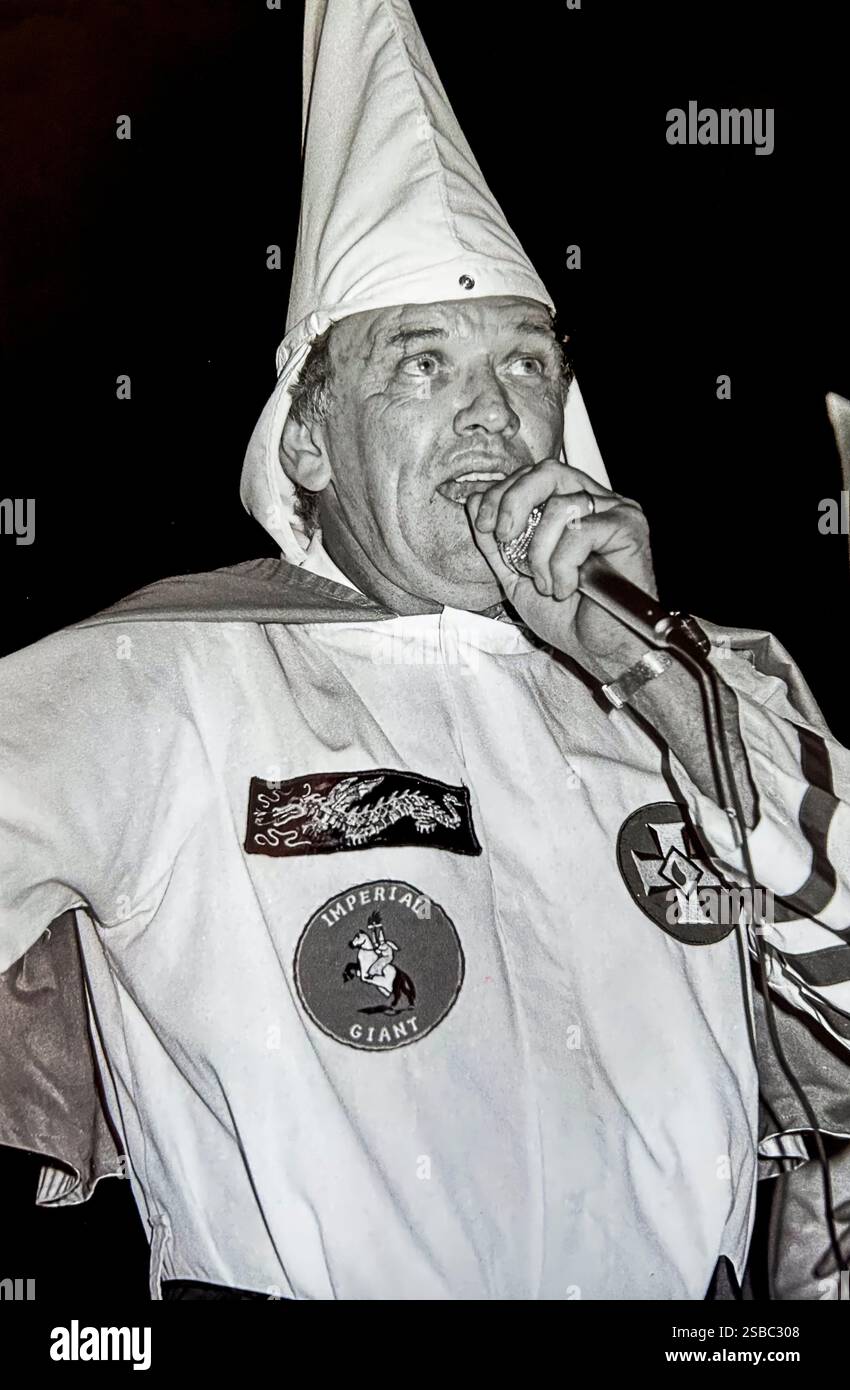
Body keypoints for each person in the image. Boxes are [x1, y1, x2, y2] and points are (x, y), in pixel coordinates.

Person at [1, 0, 849, 1301]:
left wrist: (655, 677)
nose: (492, 414)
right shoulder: (167, 676)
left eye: (523, 361)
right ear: (304, 439)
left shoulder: (703, 676)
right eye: (420, 365)